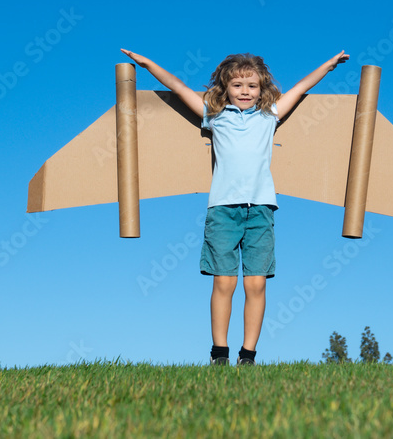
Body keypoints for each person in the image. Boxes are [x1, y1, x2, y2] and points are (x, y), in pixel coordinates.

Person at [120, 48, 349, 366]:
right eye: (238, 85)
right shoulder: (214, 116)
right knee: (223, 282)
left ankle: (249, 354)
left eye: (252, 86)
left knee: (256, 283)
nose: (245, 91)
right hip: (223, 210)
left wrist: (327, 66)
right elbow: (178, 88)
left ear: (262, 89)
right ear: (225, 88)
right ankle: (219, 353)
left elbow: (299, 88)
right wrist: (147, 65)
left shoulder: (270, 117)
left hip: (260, 210)